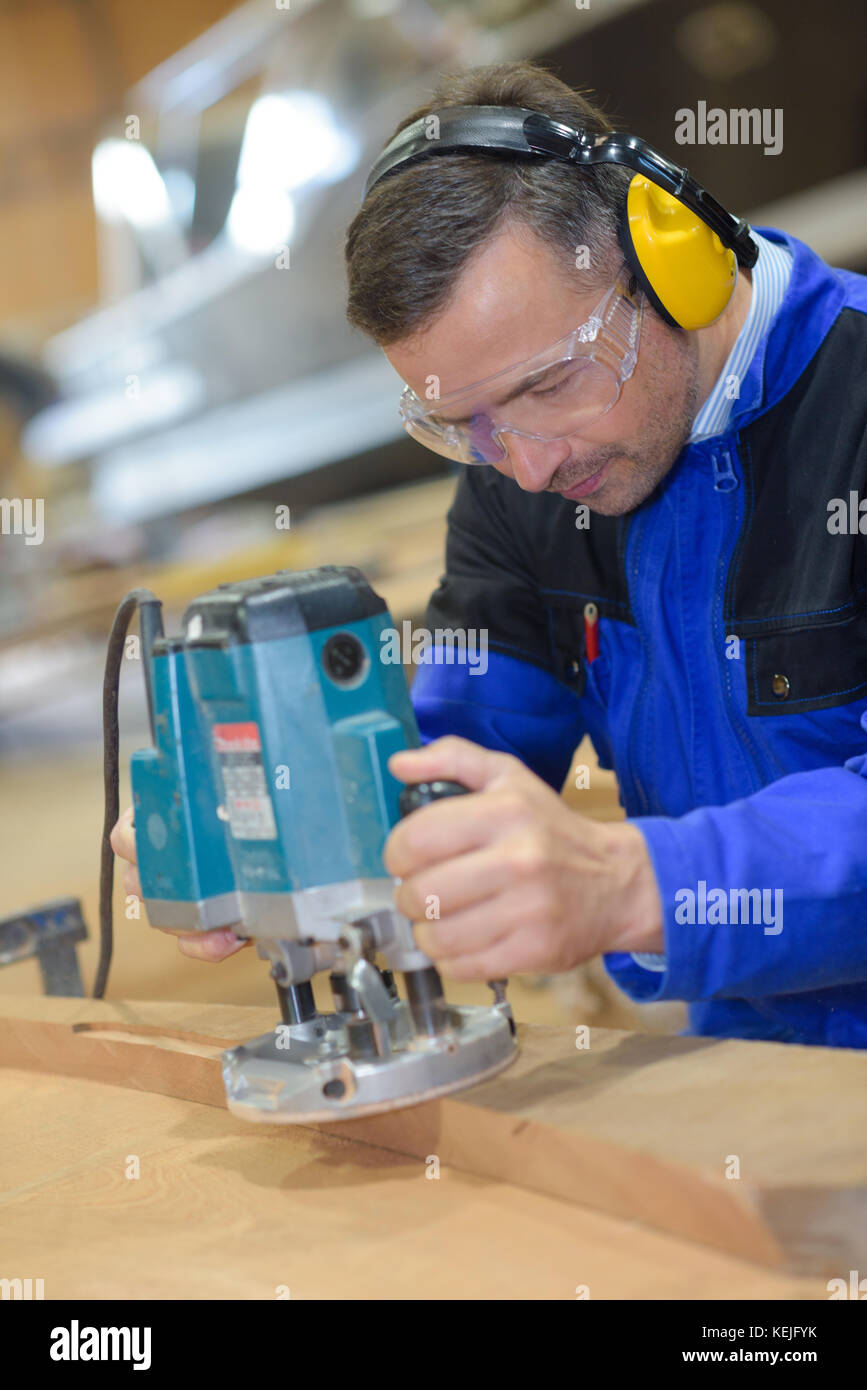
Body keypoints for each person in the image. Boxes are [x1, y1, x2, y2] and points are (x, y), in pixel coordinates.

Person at [113, 61, 867, 1049]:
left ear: (669, 259)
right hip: (755, 1074)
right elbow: (457, 749)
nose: (528, 463)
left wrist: (636, 884)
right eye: (462, 422)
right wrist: (277, 808)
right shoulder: (521, 477)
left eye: (550, 384)